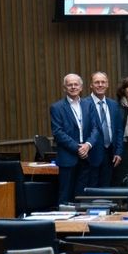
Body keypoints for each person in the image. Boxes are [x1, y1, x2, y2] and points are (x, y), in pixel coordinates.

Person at [50, 73, 99, 204]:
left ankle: (81, 223)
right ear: (64, 88)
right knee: (65, 195)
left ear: (81, 87)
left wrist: (88, 145)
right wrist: (78, 148)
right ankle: (63, 223)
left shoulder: (88, 105)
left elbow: (95, 128)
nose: (73, 87)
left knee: (82, 196)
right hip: (68, 157)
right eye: (69, 85)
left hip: (87, 156)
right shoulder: (57, 107)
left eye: (76, 84)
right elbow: (58, 132)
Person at [84, 72, 124, 188]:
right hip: (91, 155)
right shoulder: (84, 104)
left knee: (107, 189)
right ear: (91, 85)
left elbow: (119, 130)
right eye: (97, 82)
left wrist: (118, 152)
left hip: (110, 155)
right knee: (91, 189)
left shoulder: (113, 105)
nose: (100, 85)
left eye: (103, 82)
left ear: (107, 85)